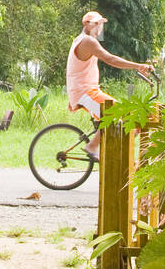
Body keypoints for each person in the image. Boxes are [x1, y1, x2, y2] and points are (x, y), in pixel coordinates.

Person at [65, 11, 154, 160]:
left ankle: (114, 149)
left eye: (101, 24)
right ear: (87, 24)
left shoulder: (79, 40)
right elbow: (110, 59)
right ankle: (93, 146)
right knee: (118, 113)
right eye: (96, 23)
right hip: (85, 93)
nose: (99, 27)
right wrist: (138, 66)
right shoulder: (88, 42)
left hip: (86, 91)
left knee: (122, 114)